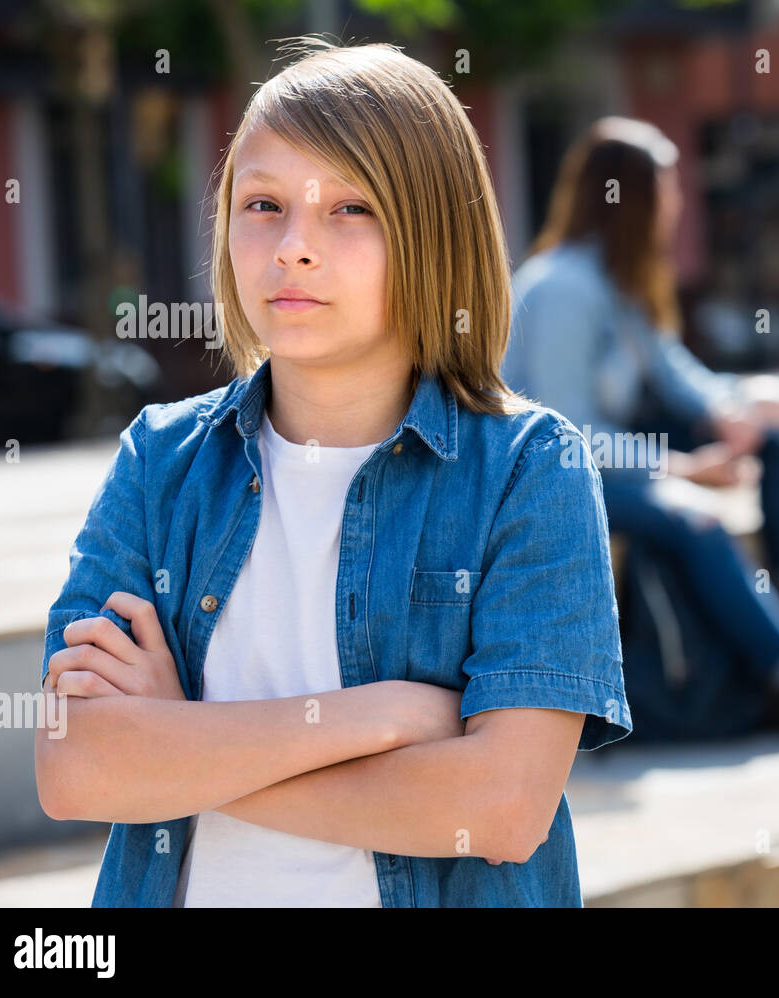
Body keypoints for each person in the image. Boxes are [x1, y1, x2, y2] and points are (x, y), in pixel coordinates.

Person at [35, 38, 632, 908]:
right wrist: (381, 717)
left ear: (433, 232)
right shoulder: (159, 461)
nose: (293, 248)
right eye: (263, 203)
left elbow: (502, 807)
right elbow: (74, 768)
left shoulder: (529, 469)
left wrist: (180, 749)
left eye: (350, 208)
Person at [502, 117, 779, 741]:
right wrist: (681, 469)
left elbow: (674, 370)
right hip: (546, 482)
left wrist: (733, 407)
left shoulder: (620, 282)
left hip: (607, 463)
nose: (678, 204)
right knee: (695, 519)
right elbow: (567, 438)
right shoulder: (565, 288)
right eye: (668, 189)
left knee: (775, 439)